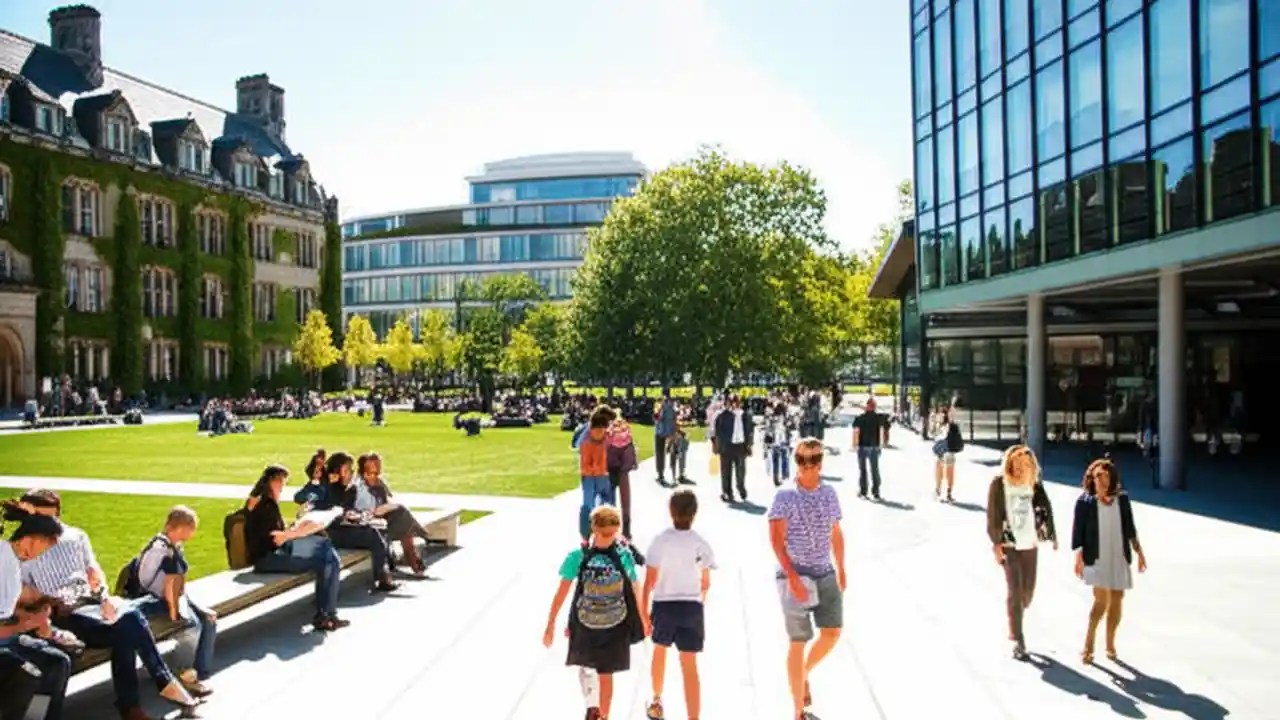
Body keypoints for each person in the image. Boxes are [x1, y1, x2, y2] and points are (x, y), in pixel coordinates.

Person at [18, 490, 198, 719]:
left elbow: (95, 571)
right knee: (130, 621)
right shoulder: (22, 548)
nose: (38, 523)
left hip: (93, 606)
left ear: (57, 514)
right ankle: (155, 687)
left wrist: (103, 596)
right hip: (62, 615)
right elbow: (21, 597)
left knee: (125, 627)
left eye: (45, 517)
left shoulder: (76, 537)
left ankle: (133, 706)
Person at [542, 505, 646, 720]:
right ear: (617, 529)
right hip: (615, 624)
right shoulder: (624, 555)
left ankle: (592, 705)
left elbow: (561, 592)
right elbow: (637, 589)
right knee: (606, 675)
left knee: (587, 667)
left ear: (592, 528)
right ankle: (604, 715)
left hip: (585, 622)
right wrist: (645, 618)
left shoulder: (578, 556)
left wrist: (550, 624)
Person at [767, 438, 846, 720]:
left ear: (821, 461)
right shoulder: (784, 496)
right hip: (794, 574)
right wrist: (792, 577)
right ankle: (798, 711)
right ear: (796, 461)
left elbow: (836, 532)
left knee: (833, 633)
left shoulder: (830, 493)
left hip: (824, 571)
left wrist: (842, 567)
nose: (807, 465)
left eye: (812, 459)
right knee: (798, 641)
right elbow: (775, 541)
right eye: (801, 460)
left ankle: (803, 673)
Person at [244, 466, 350, 632]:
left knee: (326, 553)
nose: (282, 487)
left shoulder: (266, 502)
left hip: (274, 553)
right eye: (281, 483)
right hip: (268, 559)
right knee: (326, 559)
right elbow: (275, 540)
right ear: (273, 482)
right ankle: (326, 614)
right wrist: (293, 533)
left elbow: (276, 533)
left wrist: (294, 528)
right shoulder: (265, 505)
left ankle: (326, 614)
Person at [642, 489, 715, 720]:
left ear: (670, 511)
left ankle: (656, 700)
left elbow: (649, 581)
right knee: (690, 665)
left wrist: (644, 613)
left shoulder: (660, 541)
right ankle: (693, 716)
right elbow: (705, 582)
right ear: (694, 513)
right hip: (691, 606)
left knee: (660, 651)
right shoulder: (700, 543)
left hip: (664, 604)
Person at [134, 506, 216, 697]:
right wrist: (174, 604)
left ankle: (199, 672)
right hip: (156, 599)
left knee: (209, 620)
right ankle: (183, 674)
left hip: (174, 596)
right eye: (192, 528)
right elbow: (146, 582)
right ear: (181, 527)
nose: (193, 533)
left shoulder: (175, 546)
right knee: (192, 627)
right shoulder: (159, 549)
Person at [984, 445, 1057, 661]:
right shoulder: (999, 483)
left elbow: (1046, 509)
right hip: (1009, 543)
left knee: (1027, 593)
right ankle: (1017, 637)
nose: (1020, 468)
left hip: (1030, 543)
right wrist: (996, 543)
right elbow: (992, 515)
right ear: (1009, 464)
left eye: (1025, 464)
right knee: (1015, 590)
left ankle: (1018, 614)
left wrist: (1051, 535)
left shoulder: (1033, 484)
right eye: (1016, 464)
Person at [1072, 457, 1147, 664]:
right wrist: (1078, 558)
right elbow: (1078, 533)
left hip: (1118, 555)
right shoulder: (1085, 502)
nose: (1102, 481)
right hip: (1096, 557)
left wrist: (1139, 553)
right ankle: (1088, 645)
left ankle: (1110, 644)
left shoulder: (1122, 499)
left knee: (1117, 598)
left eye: (1105, 476)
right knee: (1101, 601)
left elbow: (1130, 528)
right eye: (1097, 477)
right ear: (1091, 479)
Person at [0, 499, 65, 720]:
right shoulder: (3, 563)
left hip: (7, 639)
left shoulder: (13, 563)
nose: (38, 556)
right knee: (25, 674)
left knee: (57, 662)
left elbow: (6, 614)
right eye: (41, 547)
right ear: (28, 540)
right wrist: (31, 623)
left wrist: (36, 618)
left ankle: (38, 717)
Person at [309, 452, 399, 594]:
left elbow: (348, 509)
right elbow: (316, 509)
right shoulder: (325, 488)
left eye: (350, 470)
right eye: (346, 471)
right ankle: (382, 576)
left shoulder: (351, 489)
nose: (349, 474)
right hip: (329, 532)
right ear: (336, 472)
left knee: (377, 530)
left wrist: (355, 516)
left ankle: (385, 571)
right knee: (374, 536)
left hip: (345, 527)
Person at [355, 453, 433, 576]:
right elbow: (368, 510)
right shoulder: (359, 486)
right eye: (373, 470)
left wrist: (390, 506)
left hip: (384, 519)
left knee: (403, 519)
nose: (377, 474)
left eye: (378, 468)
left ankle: (413, 558)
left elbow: (389, 499)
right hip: (371, 525)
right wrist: (386, 508)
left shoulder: (378, 482)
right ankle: (414, 559)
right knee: (403, 519)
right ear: (364, 470)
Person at [578, 406, 616, 541]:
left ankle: (586, 535)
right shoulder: (607, 435)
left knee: (588, 505)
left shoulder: (586, 435)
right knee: (607, 503)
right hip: (601, 474)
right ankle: (607, 532)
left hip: (589, 474)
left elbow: (577, 446)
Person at [712, 394, 754, 504]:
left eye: (736, 402)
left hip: (740, 446)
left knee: (741, 470)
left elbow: (749, 431)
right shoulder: (722, 415)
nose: (734, 404)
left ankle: (741, 488)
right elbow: (717, 431)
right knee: (726, 471)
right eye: (731, 402)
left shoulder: (745, 415)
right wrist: (716, 445)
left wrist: (749, 445)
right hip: (726, 447)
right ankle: (727, 492)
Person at [606, 418, 640, 542]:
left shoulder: (608, 432)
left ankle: (610, 527)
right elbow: (631, 449)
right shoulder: (626, 433)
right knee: (625, 501)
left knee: (609, 500)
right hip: (623, 470)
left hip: (610, 467)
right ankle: (626, 529)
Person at [851, 398, 887, 501]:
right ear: (874, 407)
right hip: (874, 447)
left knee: (863, 470)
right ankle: (876, 493)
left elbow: (856, 431)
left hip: (862, 446)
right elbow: (881, 430)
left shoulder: (859, 418)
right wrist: (881, 444)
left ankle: (863, 492)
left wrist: (854, 445)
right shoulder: (878, 418)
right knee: (875, 470)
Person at [933, 407, 963, 502]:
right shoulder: (938, 425)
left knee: (948, 472)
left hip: (948, 452)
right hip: (941, 452)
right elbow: (933, 435)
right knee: (941, 472)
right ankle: (940, 491)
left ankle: (946, 492)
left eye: (942, 414)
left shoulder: (949, 425)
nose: (940, 416)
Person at [654, 392, 678, 487]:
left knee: (660, 453)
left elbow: (658, 417)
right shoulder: (672, 406)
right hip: (670, 431)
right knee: (673, 453)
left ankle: (660, 474)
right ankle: (673, 475)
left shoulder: (659, 405)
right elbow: (675, 418)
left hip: (660, 431)